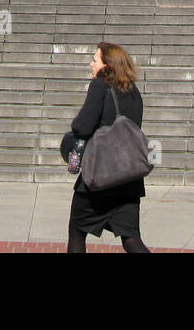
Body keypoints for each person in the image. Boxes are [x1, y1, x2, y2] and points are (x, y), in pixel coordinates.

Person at [62, 42, 151, 253]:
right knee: (131, 239)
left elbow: (82, 127)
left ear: (106, 65)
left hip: (98, 179)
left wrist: (72, 132)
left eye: (95, 59)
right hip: (128, 179)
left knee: (77, 231)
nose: (91, 64)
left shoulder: (100, 86)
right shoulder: (133, 90)